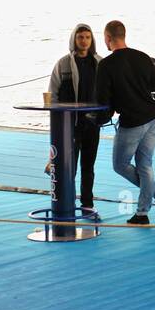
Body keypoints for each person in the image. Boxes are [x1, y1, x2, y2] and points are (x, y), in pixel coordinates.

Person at [94, 20, 155, 225]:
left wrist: (96, 119)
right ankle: (143, 212)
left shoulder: (105, 65)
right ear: (124, 35)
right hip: (153, 116)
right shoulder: (143, 57)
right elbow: (154, 85)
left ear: (108, 38)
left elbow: (102, 99)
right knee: (145, 164)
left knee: (120, 165)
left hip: (133, 120)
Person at [48, 22, 103, 213]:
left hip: (92, 123)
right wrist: (55, 120)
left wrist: (104, 114)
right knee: (68, 167)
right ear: (74, 39)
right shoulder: (63, 63)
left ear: (92, 40)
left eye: (87, 37)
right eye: (80, 37)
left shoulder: (99, 62)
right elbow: (53, 92)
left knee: (88, 167)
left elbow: (106, 91)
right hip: (69, 124)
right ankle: (66, 200)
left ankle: (87, 203)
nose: (84, 41)